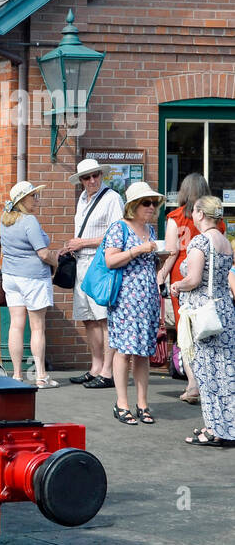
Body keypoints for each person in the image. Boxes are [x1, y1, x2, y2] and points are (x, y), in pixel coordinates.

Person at [103, 181, 170, 426]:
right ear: (133, 206)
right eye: (146, 203)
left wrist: (160, 259)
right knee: (123, 351)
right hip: (125, 298)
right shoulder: (119, 228)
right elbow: (110, 261)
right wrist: (138, 250)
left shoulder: (150, 230)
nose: (152, 207)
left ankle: (142, 403)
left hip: (148, 297)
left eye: (154, 203)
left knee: (143, 352)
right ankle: (122, 403)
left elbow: (150, 265)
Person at [157, 173, 226, 403]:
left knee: (186, 332)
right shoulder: (217, 222)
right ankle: (211, 383)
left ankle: (193, 384)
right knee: (207, 330)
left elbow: (171, 252)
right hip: (211, 280)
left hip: (183, 278)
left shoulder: (175, 217)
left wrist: (161, 275)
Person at [173, 195, 235, 445]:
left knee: (207, 372)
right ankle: (227, 426)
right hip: (224, 310)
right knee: (226, 372)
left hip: (204, 313)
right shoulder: (225, 242)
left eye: (194, 211)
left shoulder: (200, 241)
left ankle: (214, 430)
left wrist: (178, 285)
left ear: (200, 214)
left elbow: (194, 279)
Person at [63, 158, 124, 389]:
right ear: (80, 180)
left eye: (95, 175)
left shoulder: (112, 198)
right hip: (81, 262)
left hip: (100, 264)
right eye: (86, 177)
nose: (92, 180)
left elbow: (117, 234)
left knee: (104, 318)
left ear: (101, 175)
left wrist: (83, 243)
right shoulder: (82, 198)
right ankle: (95, 367)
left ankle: (108, 371)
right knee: (88, 318)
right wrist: (72, 246)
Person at [0, 181, 60, 388]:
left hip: (11, 276)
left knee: (16, 325)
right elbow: (43, 253)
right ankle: (41, 376)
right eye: (33, 196)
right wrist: (56, 262)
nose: (36, 199)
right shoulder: (29, 221)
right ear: (22, 200)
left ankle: (17, 375)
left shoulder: (5, 219)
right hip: (33, 278)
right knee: (37, 327)